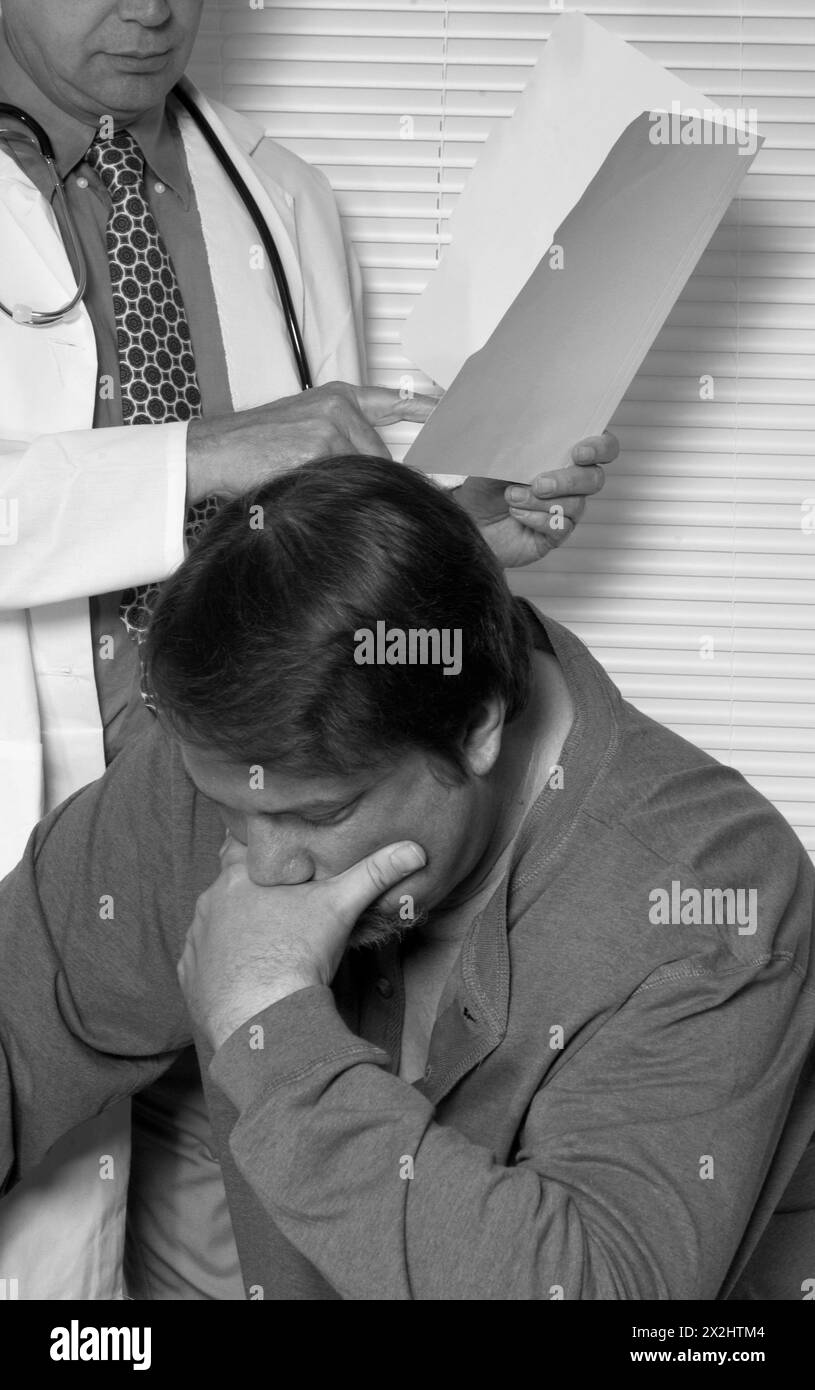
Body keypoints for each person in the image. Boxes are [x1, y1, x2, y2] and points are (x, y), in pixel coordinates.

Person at [0, 0, 616, 1298]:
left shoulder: (283, 202)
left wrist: (448, 539)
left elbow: (309, 542)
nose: (157, 4)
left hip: (254, 853)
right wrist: (201, 456)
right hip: (49, 880)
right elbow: (241, 463)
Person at [1, 454, 813, 1300]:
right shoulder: (241, 762)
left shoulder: (711, 905)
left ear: (476, 731)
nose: (265, 869)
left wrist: (266, 1024)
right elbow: (16, 1019)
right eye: (234, 806)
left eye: (318, 818)